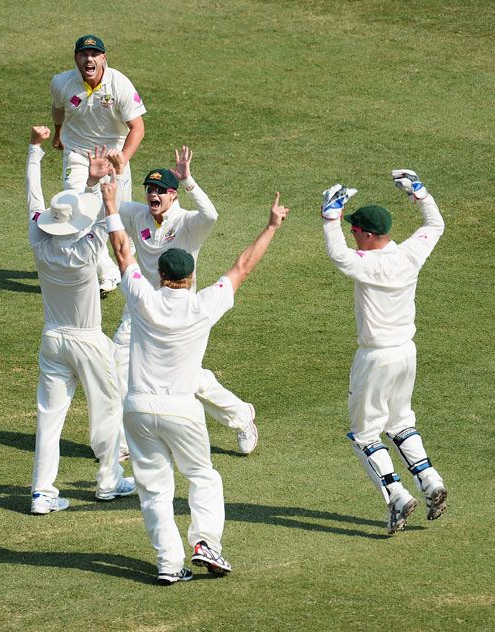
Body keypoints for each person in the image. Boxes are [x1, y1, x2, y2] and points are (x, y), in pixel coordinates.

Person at [102, 168, 289, 584]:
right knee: (203, 476)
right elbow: (242, 267)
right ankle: (205, 542)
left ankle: (169, 564)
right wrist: (271, 226)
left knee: (154, 492)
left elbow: (122, 252)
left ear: (161, 276)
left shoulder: (141, 299)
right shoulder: (203, 305)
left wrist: (111, 205)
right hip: (181, 411)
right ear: (189, 278)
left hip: (137, 410)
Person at [320, 169, 448, 535]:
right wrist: (420, 194)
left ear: (368, 235)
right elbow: (435, 225)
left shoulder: (368, 264)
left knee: (364, 435)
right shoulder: (410, 254)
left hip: (375, 358)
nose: (352, 236)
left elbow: (338, 255)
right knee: (400, 422)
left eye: (354, 230)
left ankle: (396, 496)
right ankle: (431, 481)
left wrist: (330, 219)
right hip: (407, 353)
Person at [112, 148, 258, 458]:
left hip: (180, 310)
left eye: (160, 190)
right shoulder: (137, 214)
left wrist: (189, 180)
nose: (153, 194)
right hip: (141, 307)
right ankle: (125, 443)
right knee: (118, 365)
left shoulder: (188, 223)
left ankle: (241, 415)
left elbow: (211, 215)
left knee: (190, 379)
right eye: (149, 189)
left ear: (173, 195)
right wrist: (105, 177)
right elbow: (109, 206)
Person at [25, 126, 135, 514]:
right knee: (108, 408)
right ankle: (108, 481)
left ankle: (42, 493)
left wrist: (35, 149)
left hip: (52, 339)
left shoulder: (39, 243)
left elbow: (33, 198)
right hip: (88, 340)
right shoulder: (88, 250)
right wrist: (108, 178)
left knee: (49, 419)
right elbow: (110, 216)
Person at [50, 34, 146, 296]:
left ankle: (126, 257)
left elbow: (138, 128)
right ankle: (107, 273)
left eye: (94, 54)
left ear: (103, 57)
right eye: (83, 54)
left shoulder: (119, 84)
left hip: (114, 156)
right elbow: (58, 108)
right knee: (76, 210)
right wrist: (58, 133)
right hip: (78, 154)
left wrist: (121, 159)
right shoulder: (62, 82)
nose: (89, 59)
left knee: (117, 214)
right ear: (76, 58)